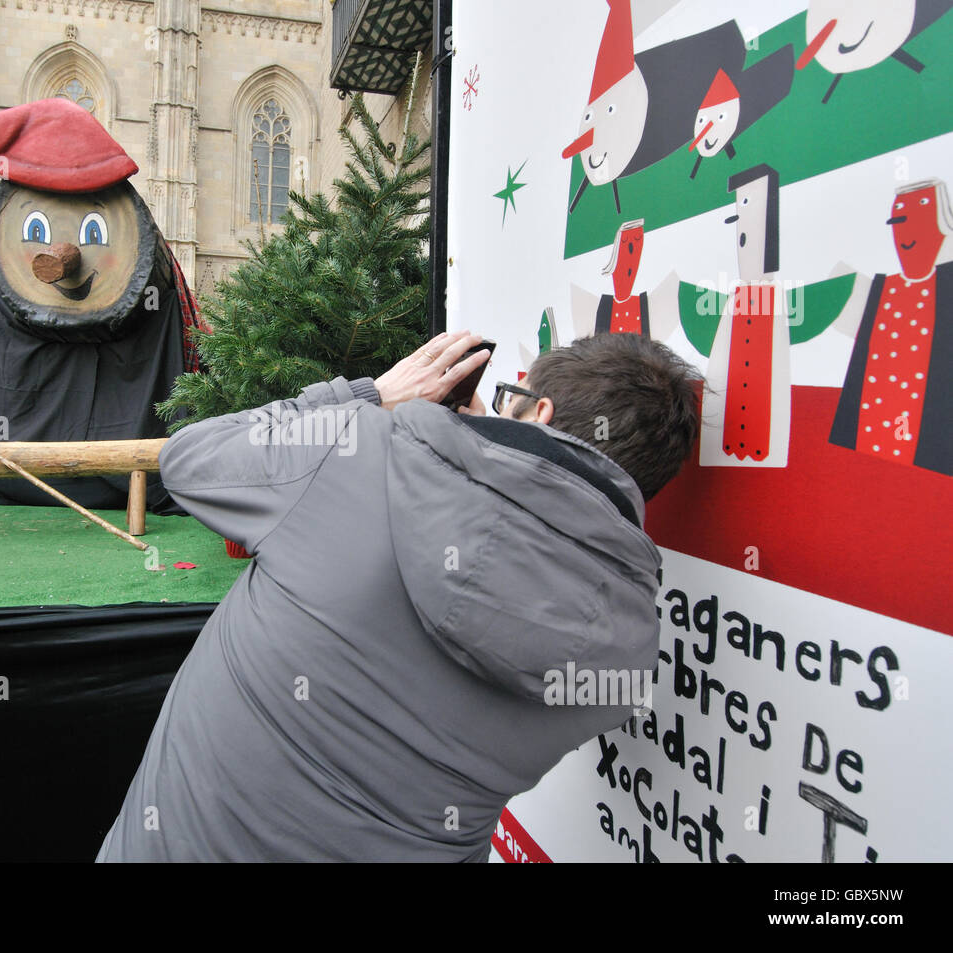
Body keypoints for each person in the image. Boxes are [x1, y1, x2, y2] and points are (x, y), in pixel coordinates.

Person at [96, 330, 703, 862]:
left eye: (509, 400)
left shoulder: (357, 451)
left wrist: (369, 398)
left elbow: (190, 455)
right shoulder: (624, 665)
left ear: (540, 412)